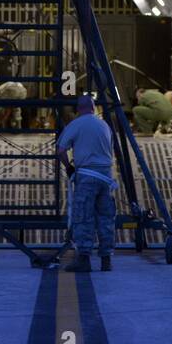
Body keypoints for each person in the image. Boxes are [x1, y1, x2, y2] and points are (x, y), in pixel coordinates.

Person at [56, 95, 118, 272]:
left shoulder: (76, 124)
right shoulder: (104, 125)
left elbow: (61, 150)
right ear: (94, 107)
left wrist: (68, 167)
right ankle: (106, 260)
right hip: (106, 177)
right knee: (106, 218)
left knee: (83, 216)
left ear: (78, 109)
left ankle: (83, 258)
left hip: (86, 176)